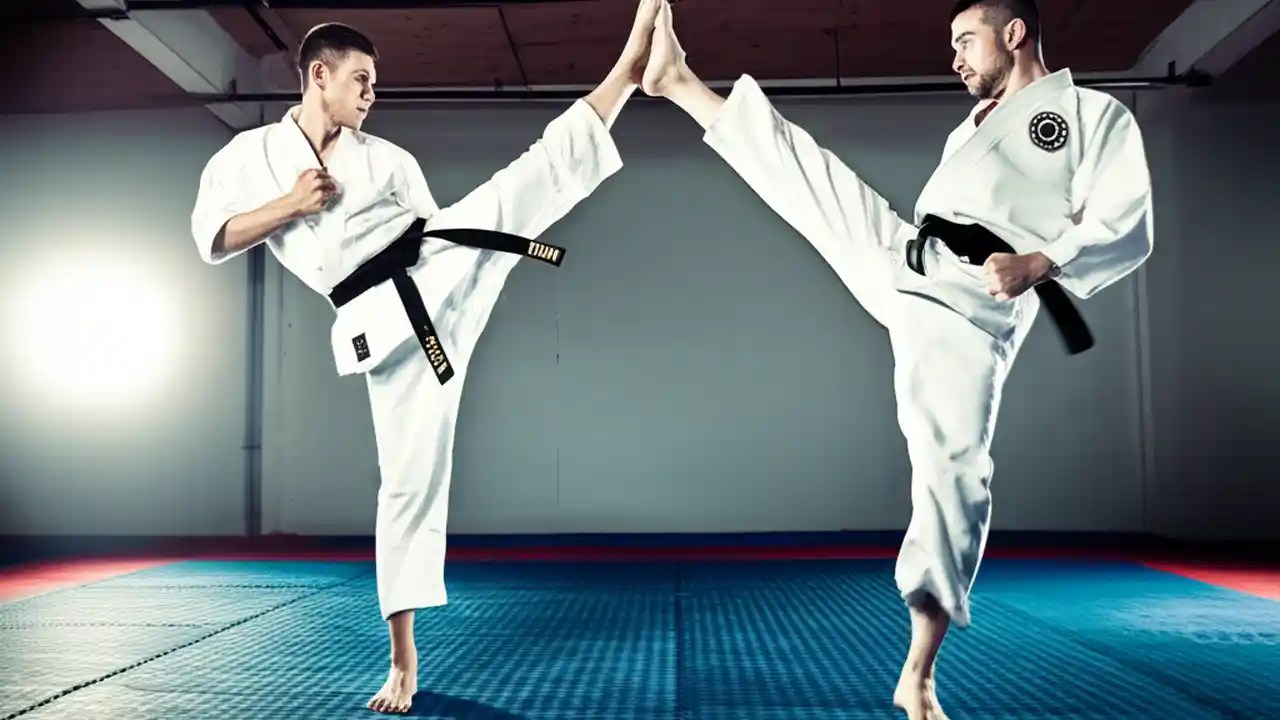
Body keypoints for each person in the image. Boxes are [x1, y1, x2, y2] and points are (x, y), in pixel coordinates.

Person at [640, 0, 1153, 717]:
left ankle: (918, 670)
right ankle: (679, 83)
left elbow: (1125, 224)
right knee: (808, 174)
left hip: (970, 310)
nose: (955, 59)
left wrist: (1041, 260)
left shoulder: (1093, 116)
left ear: (1014, 33)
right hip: (910, 258)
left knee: (952, 470)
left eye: (965, 41)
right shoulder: (972, 126)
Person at [190, 1, 662, 713]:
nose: (372, 94)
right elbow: (213, 239)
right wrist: (288, 205)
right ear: (319, 76)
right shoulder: (247, 158)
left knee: (520, 188)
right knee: (407, 484)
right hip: (378, 323)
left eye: (374, 82)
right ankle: (403, 662)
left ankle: (625, 75)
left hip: (435, 263)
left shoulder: (389, 159)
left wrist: (454, 258)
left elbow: (427, 224)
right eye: (361, 80)